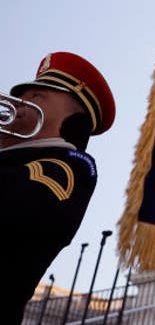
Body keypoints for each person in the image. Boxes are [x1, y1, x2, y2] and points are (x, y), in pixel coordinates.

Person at [1, 52, 115, 324]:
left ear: (71, 121)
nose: (18, 105)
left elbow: (23, 205)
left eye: (35, 98)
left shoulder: (69, 166)